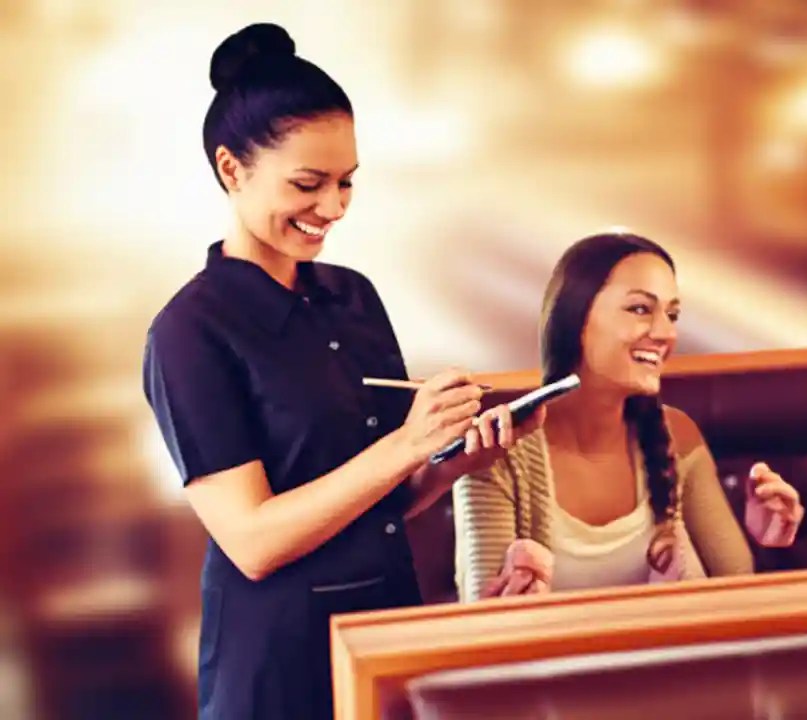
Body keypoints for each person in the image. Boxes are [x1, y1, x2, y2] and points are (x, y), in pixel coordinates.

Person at [142, 24, 538, 719]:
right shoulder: (189, 332)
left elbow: (388, 500)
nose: (333, 208)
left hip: (386, 633)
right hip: (276, 664)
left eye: (347, 182)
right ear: (232, 169)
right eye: (308, 183)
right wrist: (407, 445)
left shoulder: (352, 296)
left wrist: (451, 461)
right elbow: (254, 541)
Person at [452, 232, 804, 601]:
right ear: (577, 317)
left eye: (672, 315)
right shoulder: (494, 453)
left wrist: (769, 543)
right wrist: (512, 613)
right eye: (640, 309)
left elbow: (741, 604)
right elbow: (484, 624)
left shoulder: (677, 436)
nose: (666, 333)